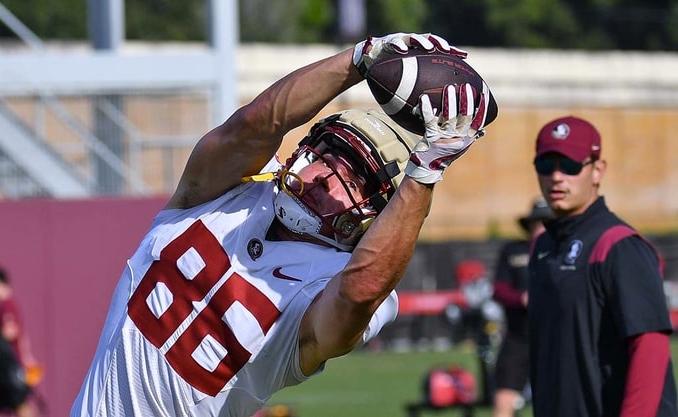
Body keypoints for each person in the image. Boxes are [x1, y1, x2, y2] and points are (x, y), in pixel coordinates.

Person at [72, 32, 491, 417]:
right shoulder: (227, 190)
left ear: (372, 216)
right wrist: (360, 58)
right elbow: (254, 125)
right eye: (327, 154)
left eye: (352, 177)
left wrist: (425, 172)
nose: (326, 175)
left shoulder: (334, 279)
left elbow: (359, 294)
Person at [527, 116, 677, 417]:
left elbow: (650, 347)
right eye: (546, 165)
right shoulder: (543, 248)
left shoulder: (619, 245)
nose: (557, 177)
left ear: (597, 170)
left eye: (570, 166)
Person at [491, 197, 552, 417]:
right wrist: (522, 298)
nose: (543, 227)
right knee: (504, 400)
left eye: (548, 222)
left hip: (553, 336)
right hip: (519, 336)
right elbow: (499, 289)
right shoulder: (514, 251)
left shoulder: (564, 251)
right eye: (539, 222)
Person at [0, 266, 40, 417]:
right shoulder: (5, 307)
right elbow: (23, 338)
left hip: (7, 368)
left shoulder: (7, 307)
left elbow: (10, 333)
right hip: (0, 370)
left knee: (18, 404)